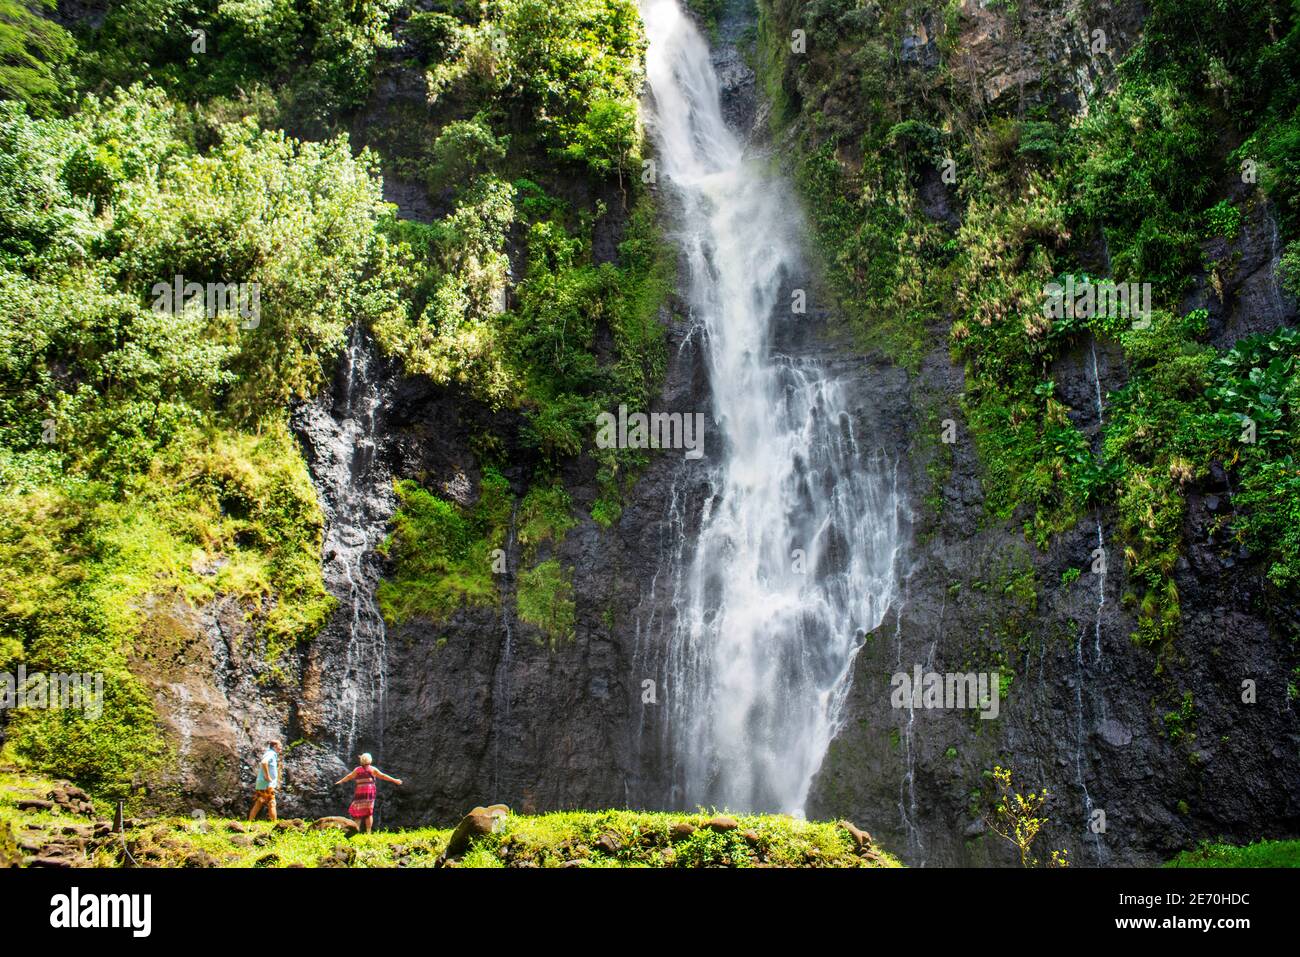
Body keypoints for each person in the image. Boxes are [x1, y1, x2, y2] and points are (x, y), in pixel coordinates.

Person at [336, 753, 401, 833]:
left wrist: (340, 781)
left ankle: (356, 831)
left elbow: (349, 777)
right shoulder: (373, 769)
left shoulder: (357, 770)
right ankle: (368, 832)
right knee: (369, 812)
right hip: (369, 792)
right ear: (370, 760)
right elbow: (383, 776)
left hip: (360, 792)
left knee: (358, 812)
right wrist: (394, 780)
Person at [249, 739, 283, 822]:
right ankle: (274, 824)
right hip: (267, 784)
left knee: (259, 802)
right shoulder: (271, 754)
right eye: (280, 746)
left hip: (263, 784)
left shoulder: (271, 754)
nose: (281, 748)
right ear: (275, 746)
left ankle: (250, 821)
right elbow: (264, 762)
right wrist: (267, 776)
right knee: (272, 803)